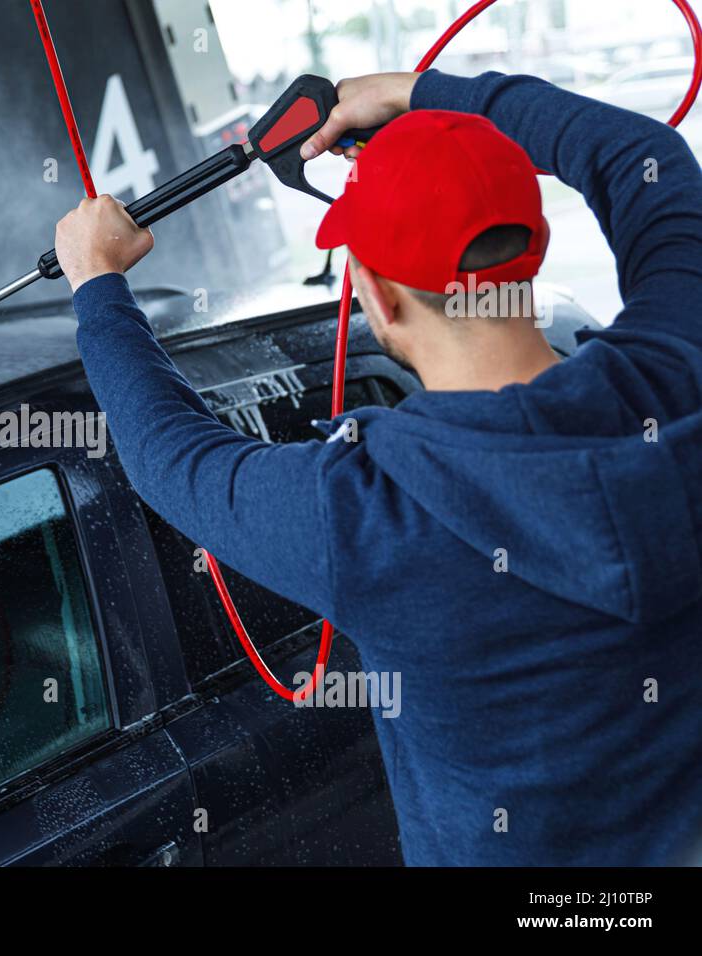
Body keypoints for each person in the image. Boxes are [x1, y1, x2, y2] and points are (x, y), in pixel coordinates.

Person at [53, 70, 702, 866]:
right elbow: (645, 157)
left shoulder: (363, 521)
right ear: (533, 247)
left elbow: (165, 457)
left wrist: (97, 282)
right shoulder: (674, 372)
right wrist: (416, 91)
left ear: (376, 299)